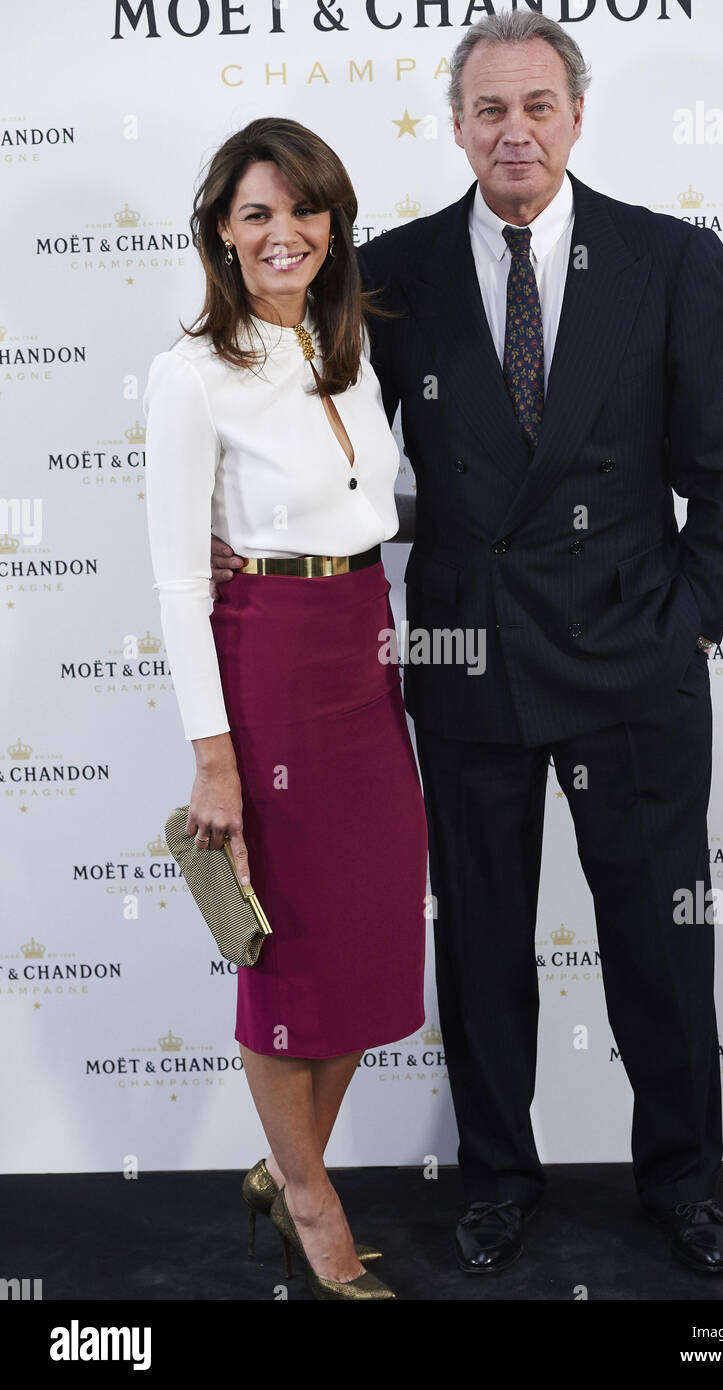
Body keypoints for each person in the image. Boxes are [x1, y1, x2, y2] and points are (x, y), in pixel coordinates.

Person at [212, 12, 723, 1280]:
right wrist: (236, 531)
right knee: (480, 944)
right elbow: (316, 434)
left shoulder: (670, 259)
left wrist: (685, 627)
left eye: (535, 107)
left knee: (659, 942)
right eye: (488, 110)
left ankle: (681, 1179)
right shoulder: (392, 271)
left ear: (575, 116)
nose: (512, 130)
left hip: (636, 660)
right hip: (468, 659)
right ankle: (499, 1179)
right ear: (455, 124)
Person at [144, 117, 427, 1300]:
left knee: (367, 933)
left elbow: (369, 509)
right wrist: (213, 759)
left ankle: (284, 1164)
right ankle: (308, 1195)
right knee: (286, 944)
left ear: (331, 224)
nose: (281, 233)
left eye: (301, 211)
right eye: (255, 213)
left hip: (364, 655)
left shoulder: (350, 346)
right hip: (265, 664)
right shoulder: (189, 374)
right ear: (220, 229)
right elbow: (173, 572)